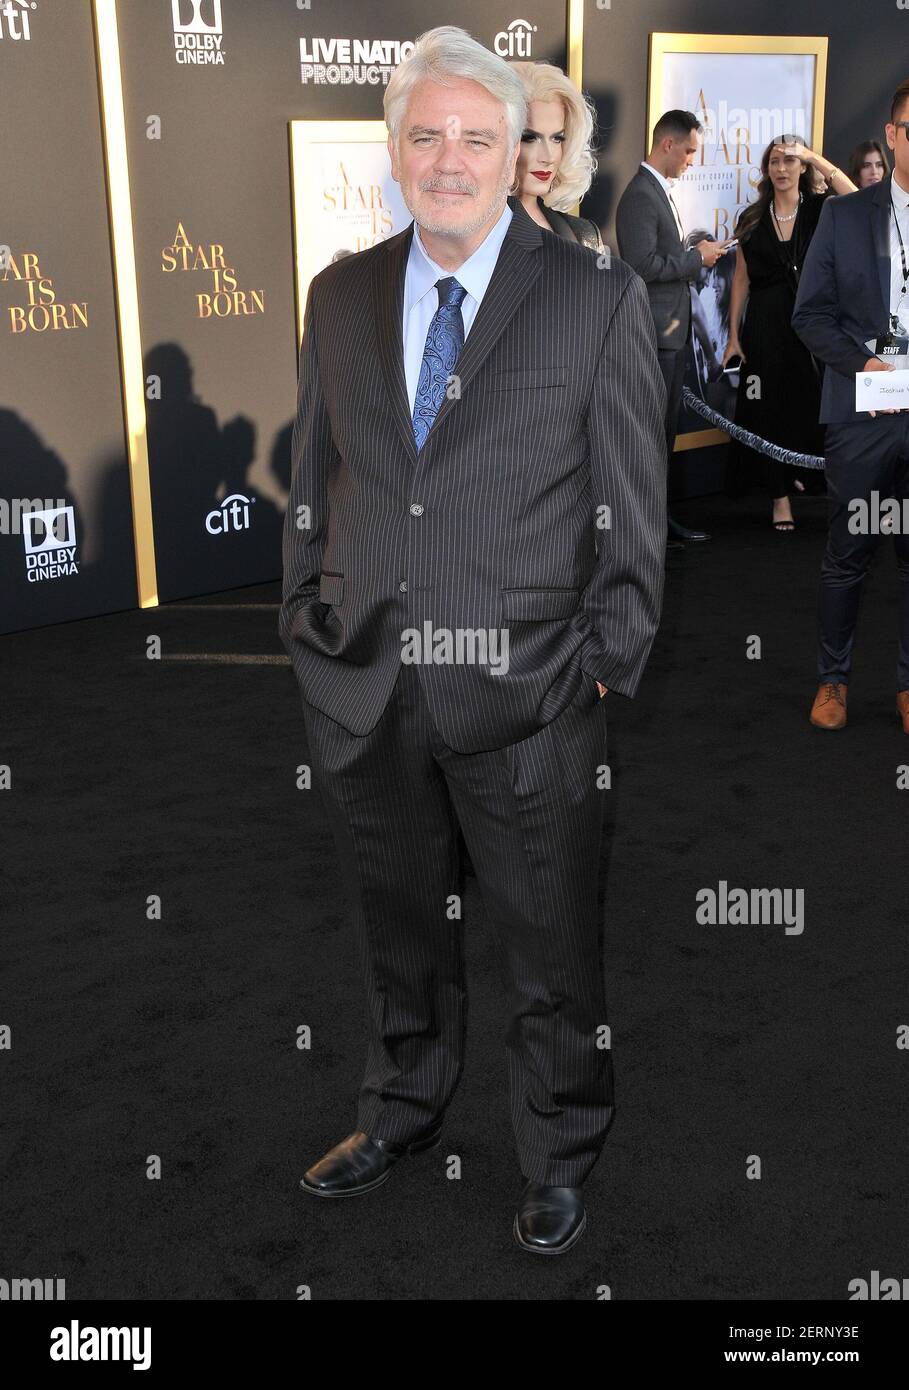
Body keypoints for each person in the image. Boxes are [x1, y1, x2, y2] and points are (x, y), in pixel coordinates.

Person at [279, 24, 667, 1255]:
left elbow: (635, 507)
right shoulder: (338, 295)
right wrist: (308, 622)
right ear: (395, 148)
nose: (450, 159)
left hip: (532, 699)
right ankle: (400, 1105)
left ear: (521, 159)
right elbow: (314, 479)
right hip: (366, 688)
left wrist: (600, 660)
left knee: (551, 943)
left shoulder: (595, 298)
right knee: (400, 925)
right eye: (427, 134)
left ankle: (559, 1145)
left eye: (478, 137)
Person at [792, 78, 909, 732]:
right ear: (891, 137)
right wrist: (865, 365)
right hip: (861, 416)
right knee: (849, 552)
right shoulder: (843, 216)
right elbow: (808, 316)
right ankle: (831, 681)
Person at [722, 136, 856, 529]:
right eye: (775, 161)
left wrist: (814, 155)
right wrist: (733, 335)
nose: (781, 169)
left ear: (802, 167)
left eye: (790, 161)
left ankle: (815, 482)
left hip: (811, 326)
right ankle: (779, 498)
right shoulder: (751, 218)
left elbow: (855, 196)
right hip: (764, 326)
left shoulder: (820, 210)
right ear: (766, 170)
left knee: (812, 408)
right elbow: (741, 279)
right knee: (766, 411)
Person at [616, 110, 734, 548]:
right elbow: (639, 266)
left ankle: (659, 523)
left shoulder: (657, 192)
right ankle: (647, 529)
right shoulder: (640, 196)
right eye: (688, 150)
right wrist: (695, 259)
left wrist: (698, 256)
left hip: (672, 334)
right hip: (656, 336)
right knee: (651, 437)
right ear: (667, 144)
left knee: (663, 434)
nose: (691, 160)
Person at [509, 60, 603, 251]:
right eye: (530, 138)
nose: (548, 157)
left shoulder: (583, 235)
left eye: (557, 138)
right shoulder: (466, 236)